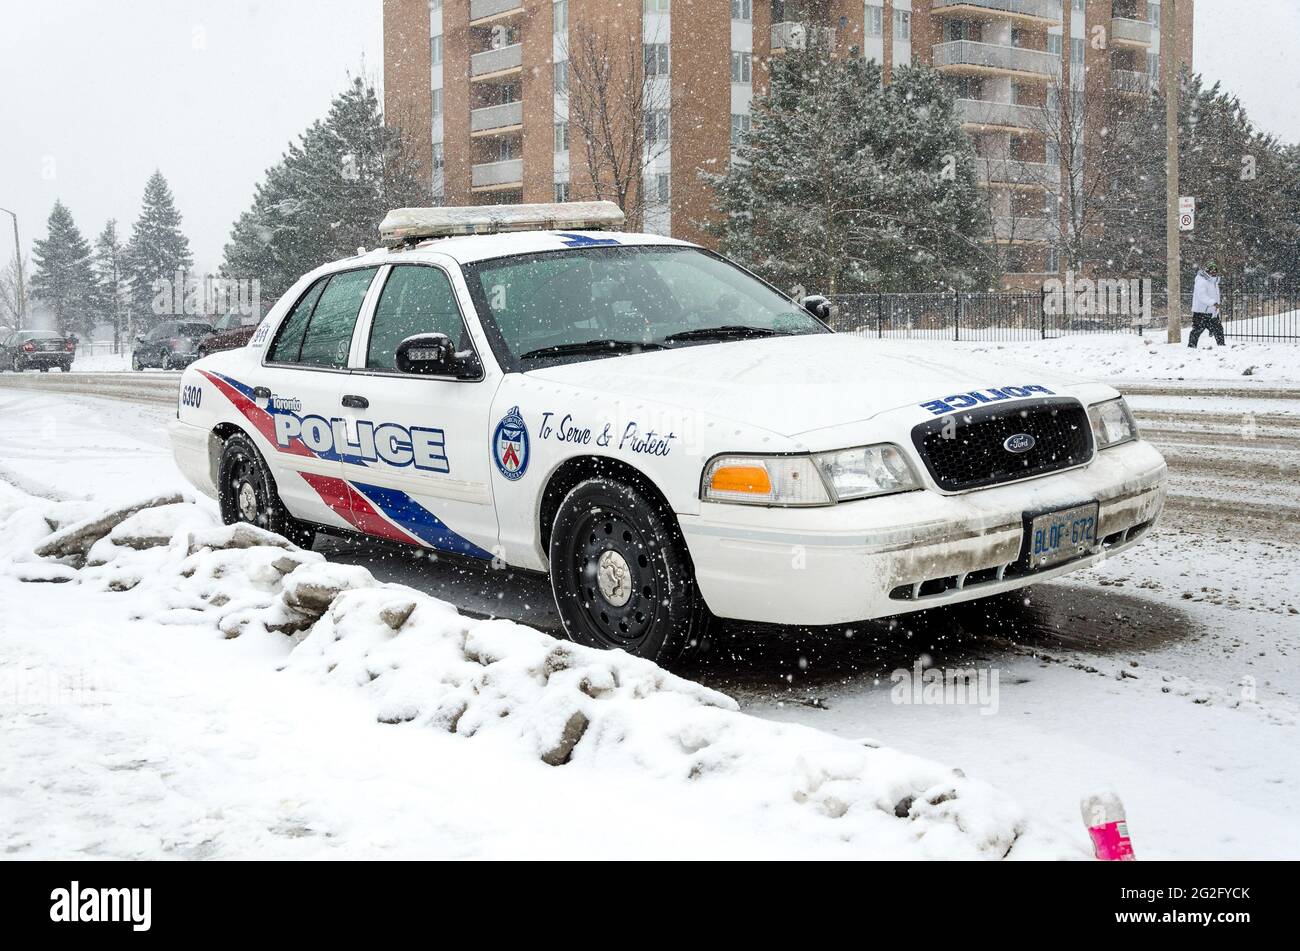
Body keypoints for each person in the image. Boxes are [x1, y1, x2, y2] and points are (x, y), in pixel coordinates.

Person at [1189, 261, 1225, 348]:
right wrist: (1213, 303)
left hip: (1212, 312)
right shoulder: (1201, 281)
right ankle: (1191, 347)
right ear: (1207, 271)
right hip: (1201, 311)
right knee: (1197, 330)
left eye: (1215, 270)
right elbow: (1202, 296)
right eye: (1211, 270)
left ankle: (1222, 346)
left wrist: (1216, 306)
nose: (1213, 272)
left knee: (1218, 330)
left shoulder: (1213, 282)